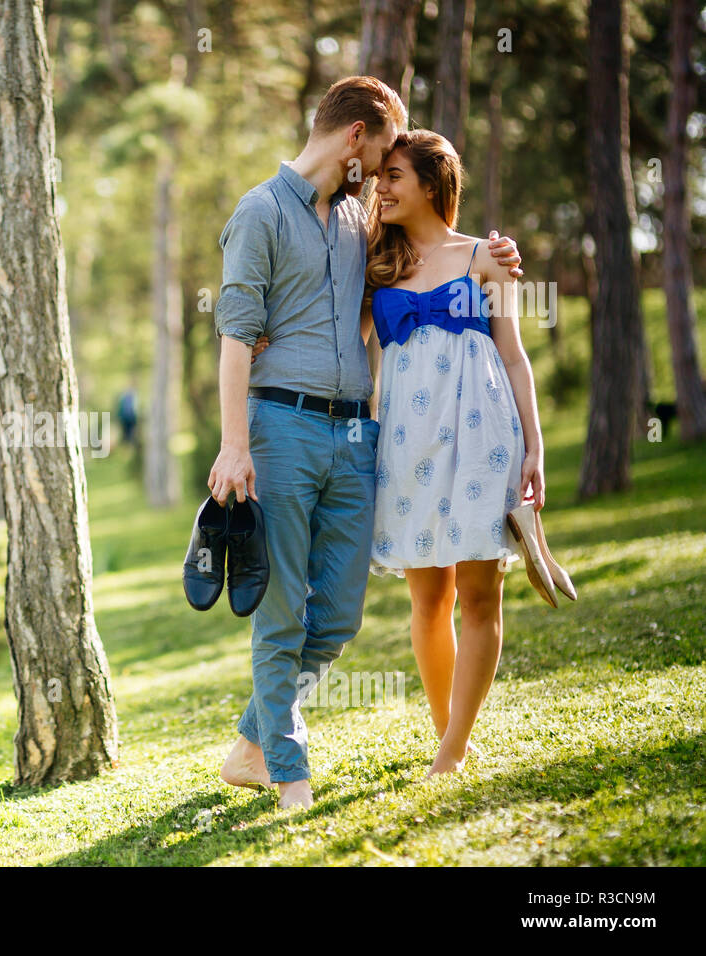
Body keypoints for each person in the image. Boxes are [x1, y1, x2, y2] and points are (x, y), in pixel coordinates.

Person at [207, 76, 524, 810]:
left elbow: (432, 257)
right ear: (357, 139)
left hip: (355, 434)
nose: (385, 175)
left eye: (393, 170)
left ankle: (253, 742)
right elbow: (234, 339)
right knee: (284, 610)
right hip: (282, 428)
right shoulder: (259, 212)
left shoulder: (359, 222)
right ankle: (290, 779)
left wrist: (487, 251)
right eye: (382, 156)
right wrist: (235, 444)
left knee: (340, 615)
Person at [365, 130, 544, 776]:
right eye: (379, 177)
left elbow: (514, 357)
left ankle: (451, 750)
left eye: (392, 176)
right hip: (408, 443)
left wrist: (535, 448)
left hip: (481, 438)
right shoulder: (376, 263)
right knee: (427, 599)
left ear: (433, 185)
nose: (379, 188)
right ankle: (450, 735)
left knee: (478, 595)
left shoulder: (487, 257)